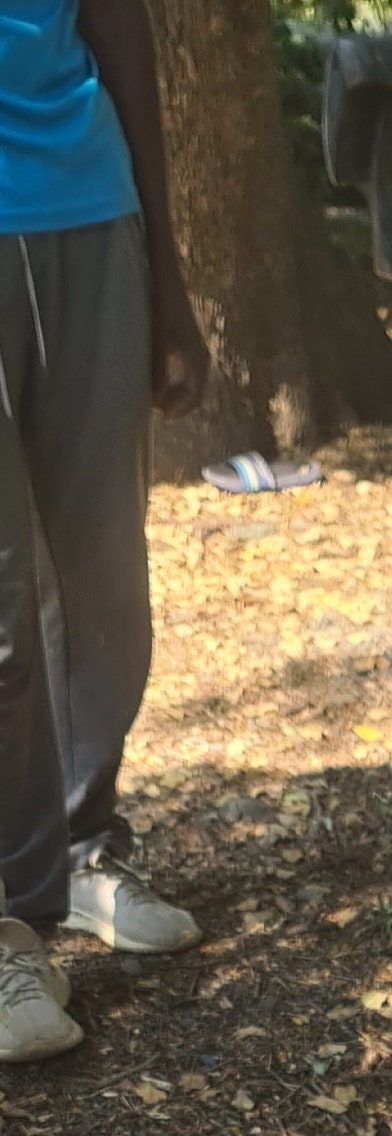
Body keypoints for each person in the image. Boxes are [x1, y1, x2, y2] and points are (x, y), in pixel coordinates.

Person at [0, 0, 209, 1062]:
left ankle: (84, 848)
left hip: (88, 212)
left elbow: (116, 26)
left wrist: (169, 279)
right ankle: (9, 914)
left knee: (104, 589)